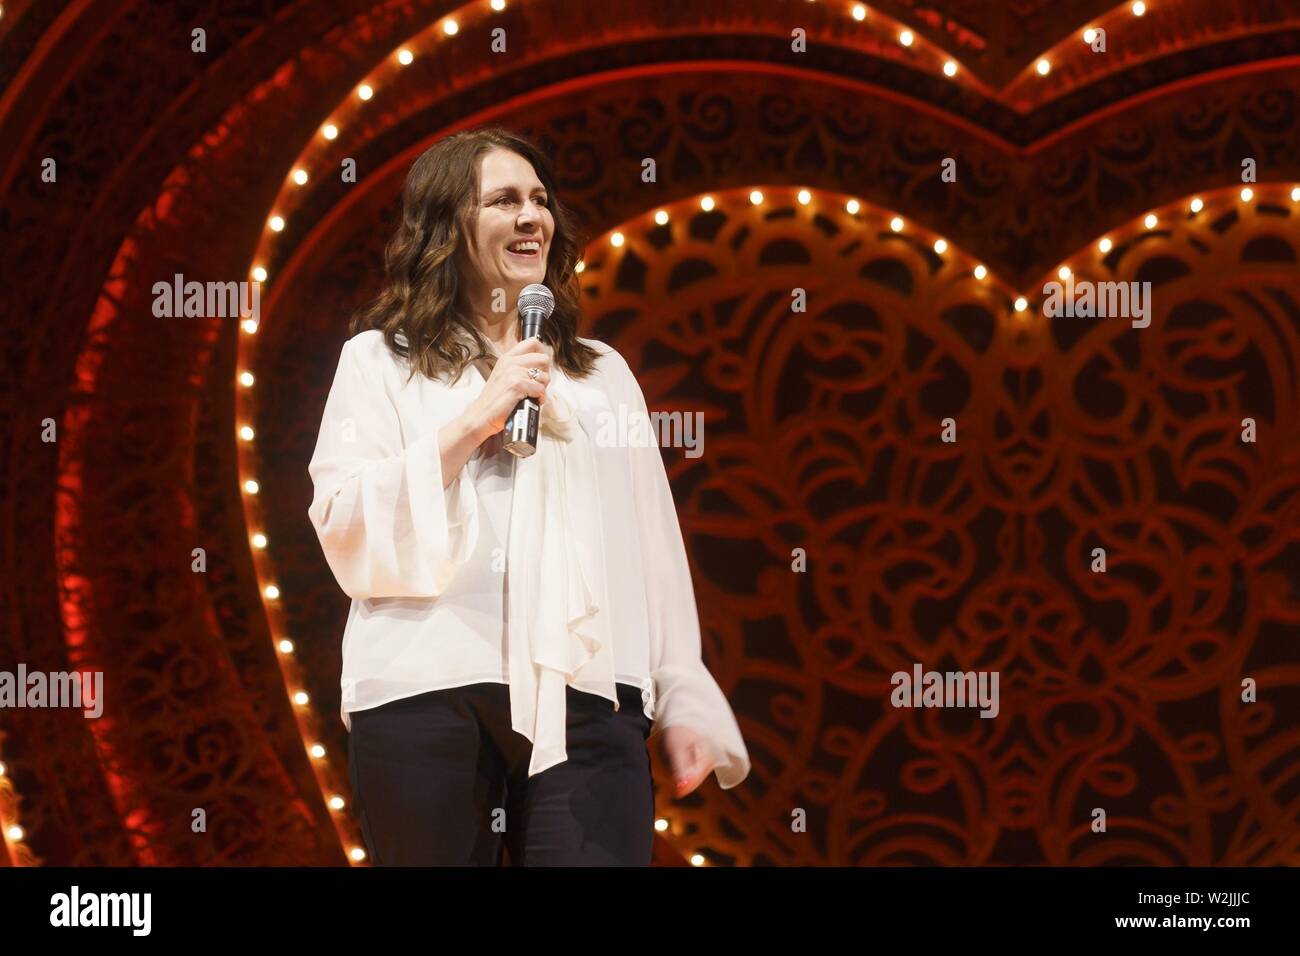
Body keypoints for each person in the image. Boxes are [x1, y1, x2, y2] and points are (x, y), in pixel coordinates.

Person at [306, 127, 750, 866]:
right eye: (504, 200)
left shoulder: (599, 375)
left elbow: (649, 544)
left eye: (540, 201)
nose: (531, 218)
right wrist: (476, 416)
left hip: (586, 690)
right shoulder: (381, 361)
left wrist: (680, 689)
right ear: (449, 225)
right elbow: (347, 523)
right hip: (427, 687)